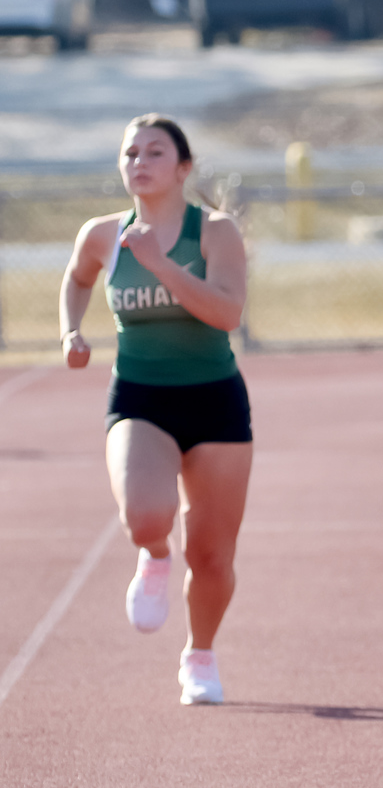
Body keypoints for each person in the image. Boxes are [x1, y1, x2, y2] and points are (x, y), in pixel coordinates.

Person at [59, 114, 253, 706]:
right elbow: (77, 278)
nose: (138, 162)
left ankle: (200, 655)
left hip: (215, 400)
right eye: (129, 153)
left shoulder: (215, 233)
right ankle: (155, 555)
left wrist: (162, 264)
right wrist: (72, 331)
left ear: (183, 168)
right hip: (141, 397)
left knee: (214, 554)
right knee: (147, 515)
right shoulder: (102, 234)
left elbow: (226, 315)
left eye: (154, 152)